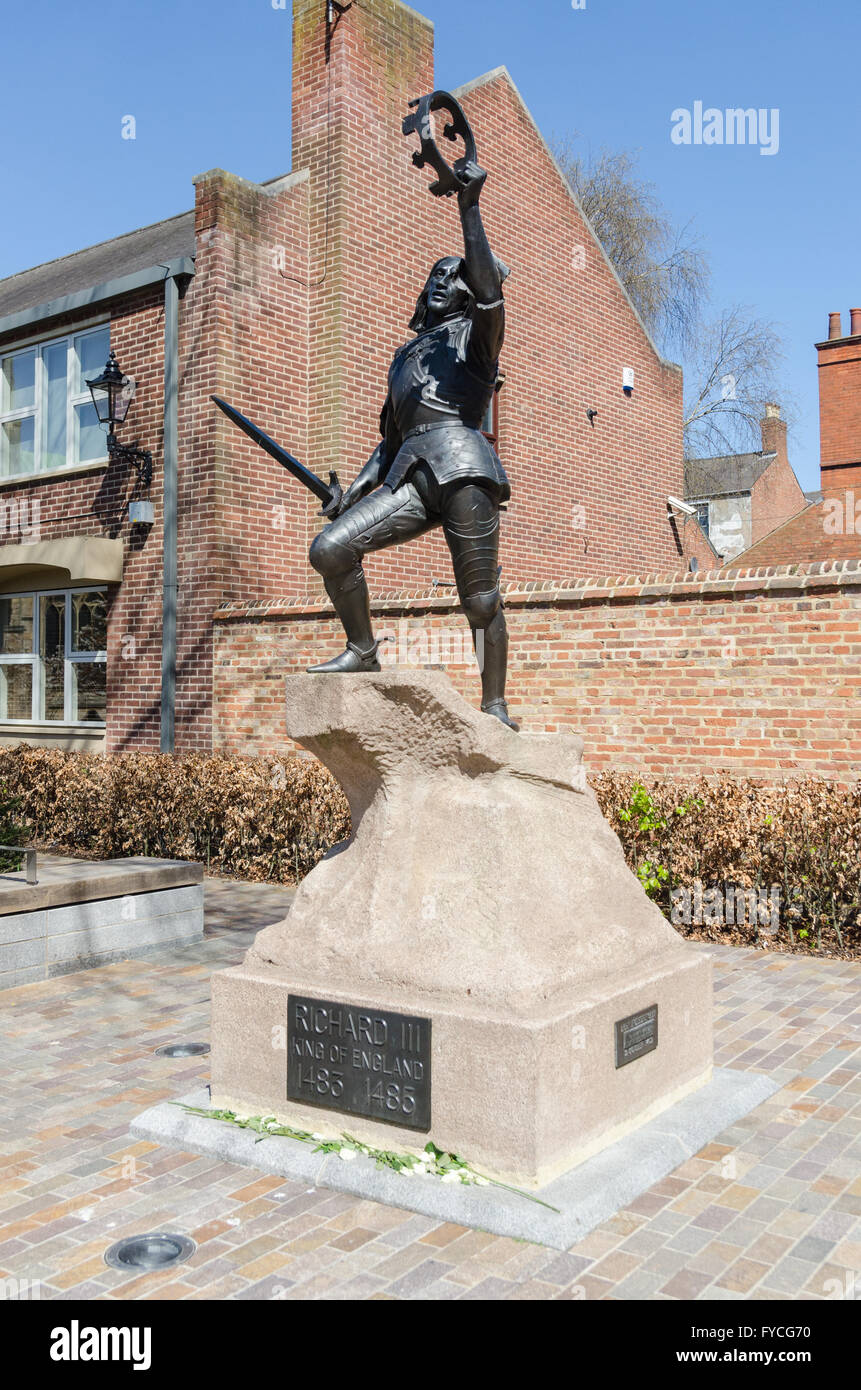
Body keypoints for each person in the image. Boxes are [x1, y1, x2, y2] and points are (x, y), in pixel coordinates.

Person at [308, 159, 517, 730]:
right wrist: (349, 493)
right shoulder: (405, 358)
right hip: (411, 474)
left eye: (454, 276)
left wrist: (468, 205)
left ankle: (495, 704)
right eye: (437, 275)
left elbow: (492, 298)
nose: (441, 280)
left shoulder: (475, 339)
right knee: (330, 549)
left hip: (465, 469)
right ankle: (363, 650)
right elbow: (387, 443)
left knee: (478, 600)